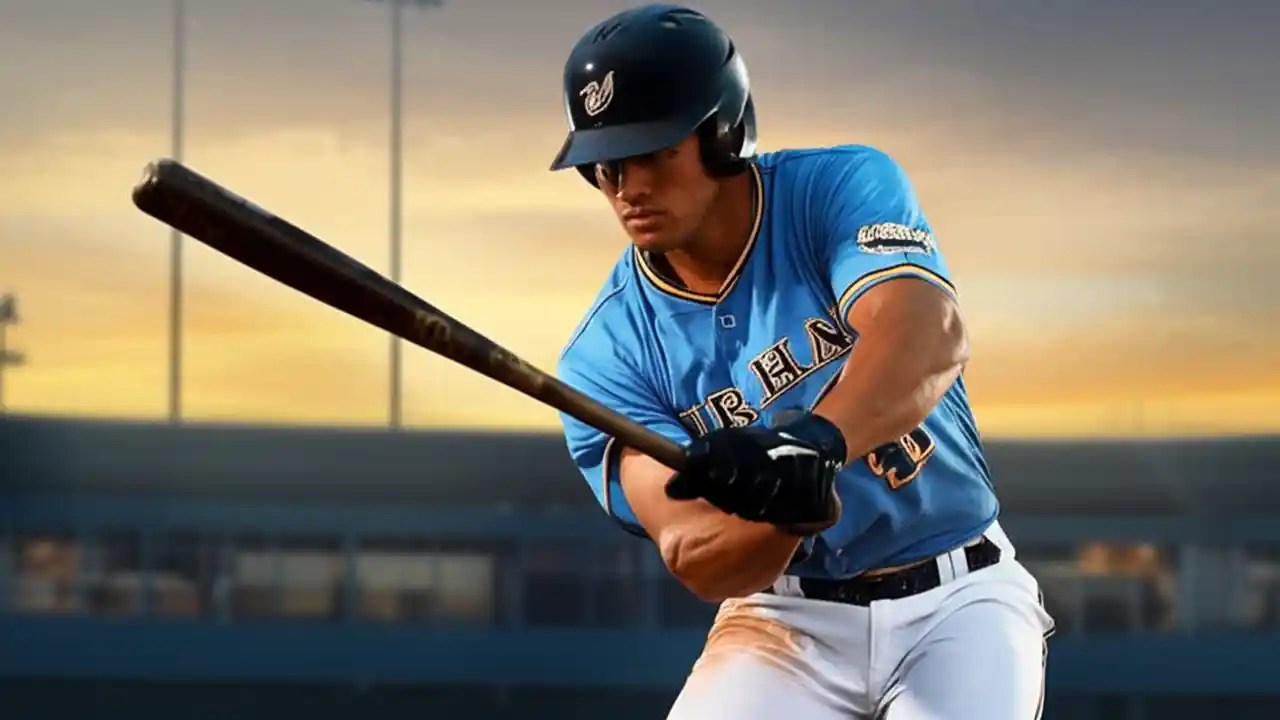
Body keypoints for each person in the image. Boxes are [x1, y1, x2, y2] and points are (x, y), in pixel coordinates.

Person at [550, 4, 1056, 719]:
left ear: (723, 133)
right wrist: (783, 510)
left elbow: (927, 332)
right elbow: (694, 551)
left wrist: (813, 442)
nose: (628, 186)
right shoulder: (607, 355)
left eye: (654, 150)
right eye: (605, 164)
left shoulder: (836, 190)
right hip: (783, 620)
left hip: (956, 597)